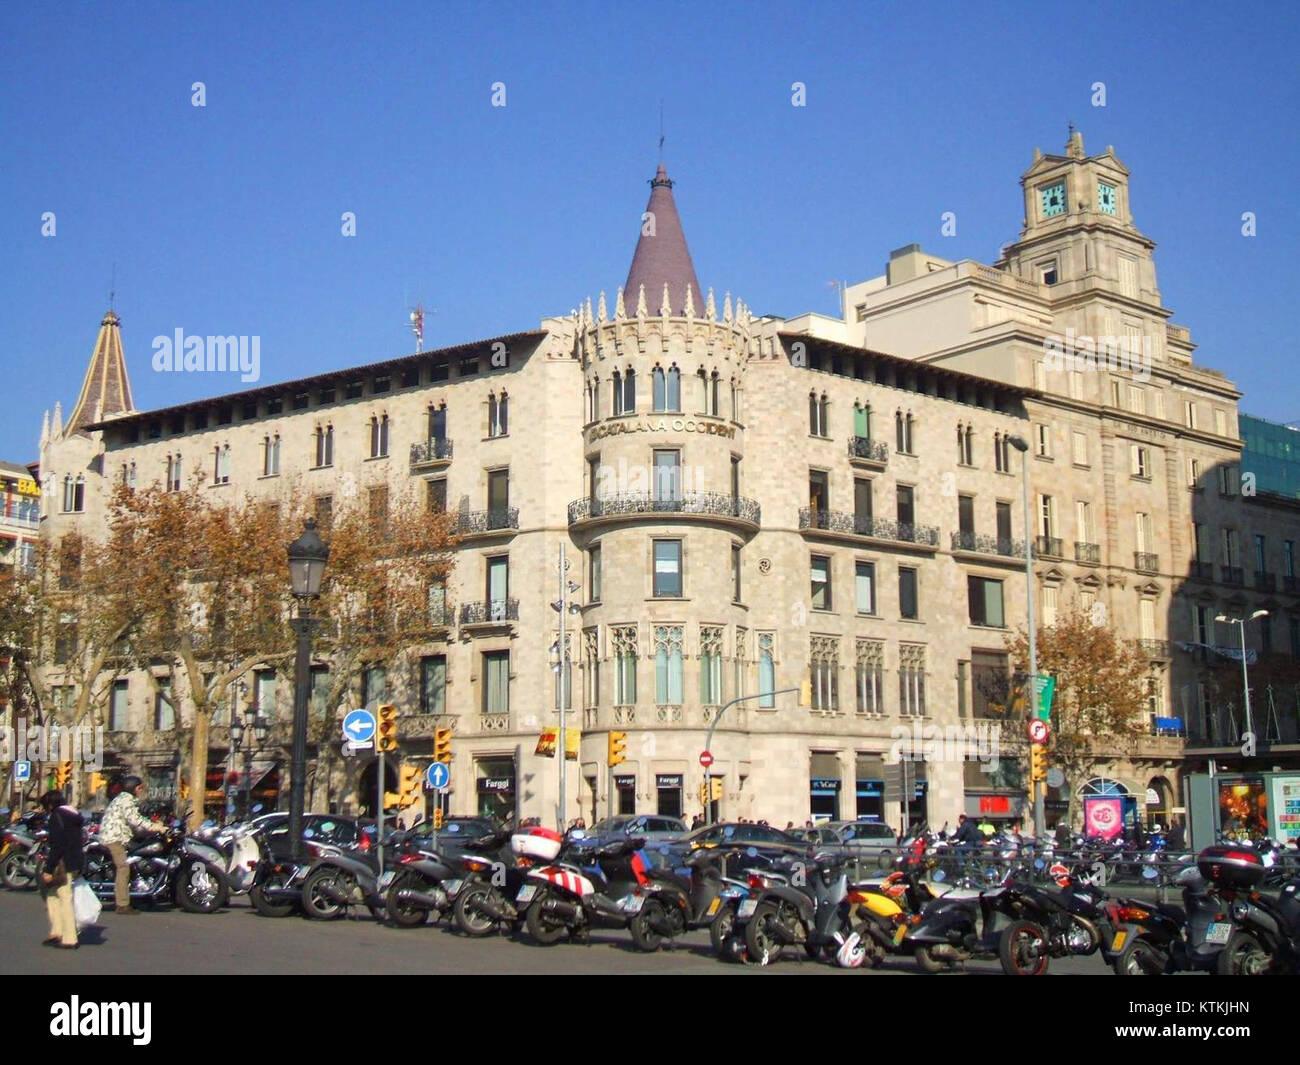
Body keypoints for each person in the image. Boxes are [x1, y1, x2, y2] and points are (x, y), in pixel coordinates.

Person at [98, 775, 165, 914]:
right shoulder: (125, 800)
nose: (141, 791)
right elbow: (135, 820)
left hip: (121, 836)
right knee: (123, 867)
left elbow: (133, 822)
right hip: (114, 838)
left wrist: (152, 828)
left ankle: (140, 894)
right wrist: (156, 827)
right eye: (139, 788)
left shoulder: (125, 799)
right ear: (132, 788)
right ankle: (122, 905)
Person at [39, 789, 83, 949]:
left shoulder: (57, 816)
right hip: (76, 860)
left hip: (64, 863)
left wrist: (49, 869)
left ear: (50, 804)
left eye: (45, 806)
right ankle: (57, 931)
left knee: (64, 897)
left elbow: (57, 846)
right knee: (52, 894)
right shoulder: (73, 815)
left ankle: (70, 938)